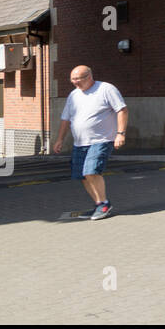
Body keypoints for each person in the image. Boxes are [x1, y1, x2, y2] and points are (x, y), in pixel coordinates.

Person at [53, 65, 127, 220]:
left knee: (91, 171)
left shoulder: (106, 89)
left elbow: (122, 110)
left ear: (89, 77)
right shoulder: (73, 95)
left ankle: (105, 204)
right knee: (82, 175)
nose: (74, 83)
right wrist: (60, 139)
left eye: (78, 79)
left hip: (101, 139)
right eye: (72, 79)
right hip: (79, 143)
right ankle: (99, 204)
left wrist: (120, 133)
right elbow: (65, 119)